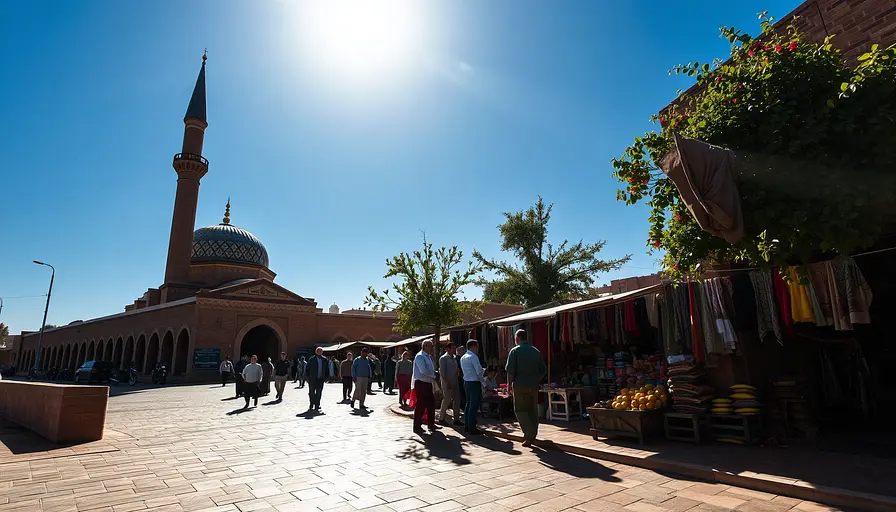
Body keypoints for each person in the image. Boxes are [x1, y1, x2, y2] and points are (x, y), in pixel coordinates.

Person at [506, 329, 547, 447]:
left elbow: (510, 371)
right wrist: (536, 380)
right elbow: (543, 370)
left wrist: (509, 385)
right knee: (532, 411)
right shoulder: (536, 351)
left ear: (517, 339)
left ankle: (529, 434)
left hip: (519, 386)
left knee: (520, 410)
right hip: (533, 386)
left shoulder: (514, 351)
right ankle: (532, 435)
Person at [460, 339, 487, 435]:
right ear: (473, 346)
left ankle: (467, 425)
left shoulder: (463, 357)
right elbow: (478, 372)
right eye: (477, 347)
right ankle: (472, 427)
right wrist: (484, 383)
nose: (478, 349)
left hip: (466, 382)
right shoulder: (473, 357)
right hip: (474, 382)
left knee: (468, 403)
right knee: (473, 405)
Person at [412, 340, 439, 435]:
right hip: (421, 383)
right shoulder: (420, 356)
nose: (432, 348)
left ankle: (431, 424)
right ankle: (417, 426)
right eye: (431, 346)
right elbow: (423, 370)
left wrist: (434, 373)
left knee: (431, 404)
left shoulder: (428, 357)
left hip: (428, 383)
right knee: (421, 405)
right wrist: (434, 375)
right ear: (426, 346)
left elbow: (430, 369)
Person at [438, 345, 463, 426]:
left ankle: (456, 419)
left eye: (454, 348)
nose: (454, 350)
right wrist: (447, 382)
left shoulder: (455, 358)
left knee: (457, 400)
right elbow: (442, 372)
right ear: (447, 349)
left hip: (455, 381)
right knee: (446, 400)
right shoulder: (443, 358)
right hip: (447, 382)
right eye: (452, 348)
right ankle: (441, 418)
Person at [305, 347, 328, 412]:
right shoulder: (311, 359)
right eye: (318, 351)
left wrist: (326, 377)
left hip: (321, 379)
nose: (319, 352)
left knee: (319, 392)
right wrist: (307, 377)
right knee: (311, 392)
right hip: (312, 379)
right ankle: (312, 403)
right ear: (316, 352)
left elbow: (327, 369)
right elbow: (307, 368)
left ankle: (317, 405)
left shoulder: (324, 359)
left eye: (321, 351)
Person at [455, 346, 467, 410]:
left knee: (462, 393)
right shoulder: (458, 359)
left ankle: (463, 405)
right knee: (461, 393)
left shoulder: (459, 358)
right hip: (460, 378)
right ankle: (463, 405)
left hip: (461, 378)